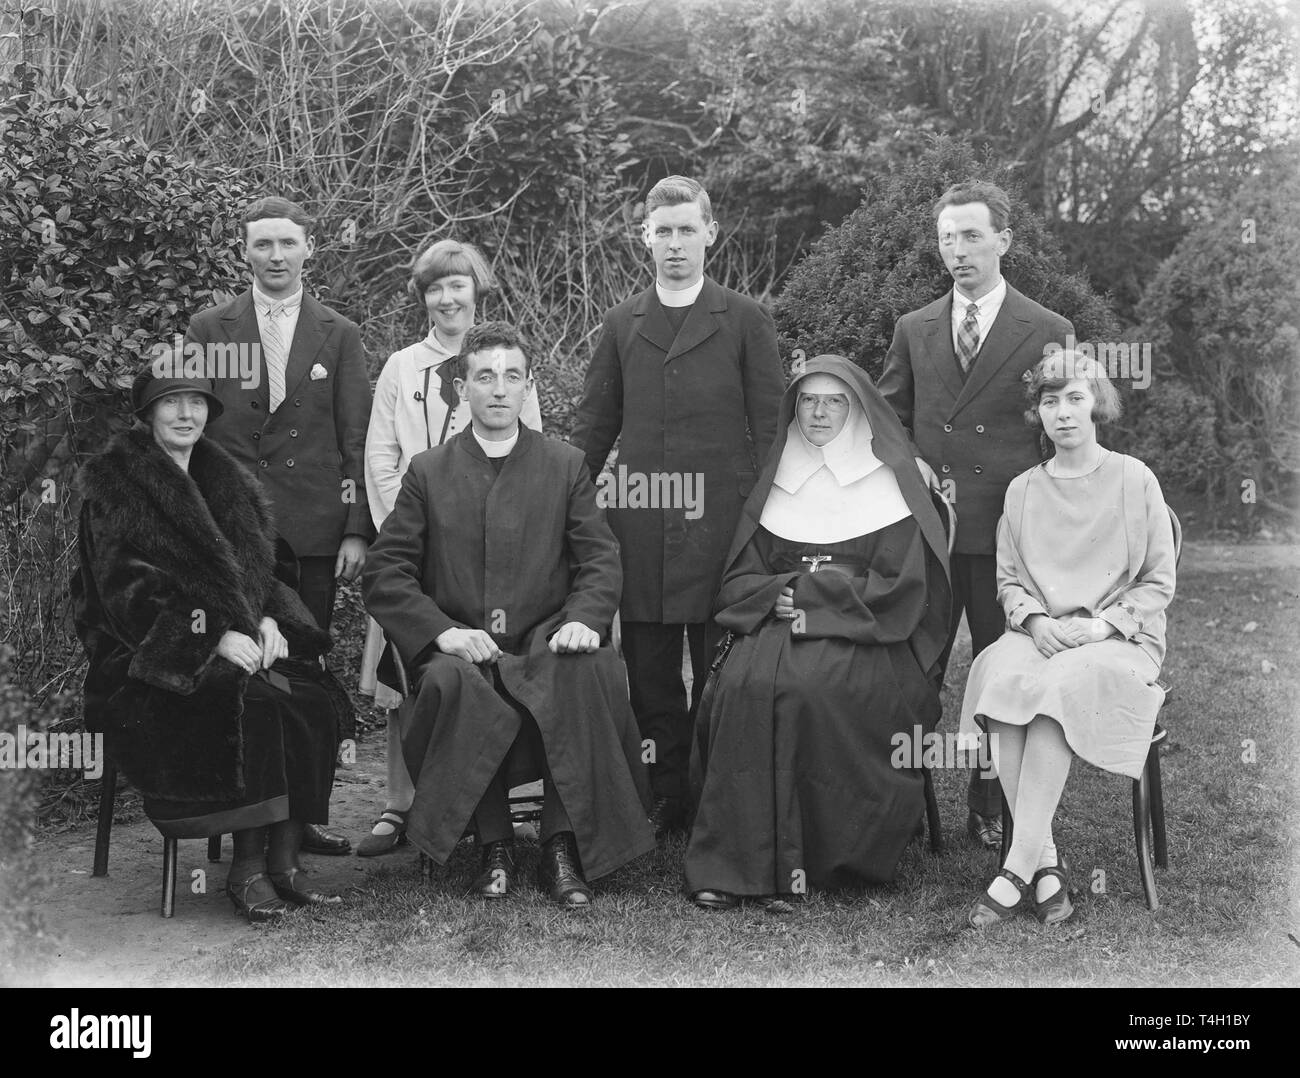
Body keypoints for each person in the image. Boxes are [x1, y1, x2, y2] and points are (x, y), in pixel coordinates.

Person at [362, 322, 654, 907]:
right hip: (467, 642)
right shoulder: (428, 471)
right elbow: (385, 573)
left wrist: (585, 619)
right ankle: (492, 841)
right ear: (461, 387)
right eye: (485, 376)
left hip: (546, 637)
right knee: (453, 683)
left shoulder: (565, 465)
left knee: (584, 669)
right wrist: (442, 632)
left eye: (511, 377)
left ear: (527, 388)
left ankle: (561, 844)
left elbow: (600, 560)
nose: (498, 389)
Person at [74, 362, 349, 922]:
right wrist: (212, 638)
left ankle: (286, 857)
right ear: (147, 412)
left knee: (313, 693)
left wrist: (272, 621)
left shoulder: (226, 479)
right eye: (171, 402)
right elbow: (125, 597)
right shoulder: (116, 486)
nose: (185, 414)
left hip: (235, 639)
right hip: (146, 660)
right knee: (258, 700)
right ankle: (247, 869)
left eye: (196, 402)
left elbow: (267, 572)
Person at [683, 356, 952, 909]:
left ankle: (811, 863)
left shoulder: (890, 485)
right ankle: (736, 862)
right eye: (809, 400)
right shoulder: (777, 480)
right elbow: (737, 577)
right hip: (776, 622)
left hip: (866, 633)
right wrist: (770, 593)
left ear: (857, 411)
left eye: (834, 401)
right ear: (794, 408)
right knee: (745, 688)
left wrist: (809, 597)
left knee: (815, 691)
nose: (820, 412)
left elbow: (901, 590)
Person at [570, 175, 784, 837]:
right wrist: (566, 506)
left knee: (722, 666)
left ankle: (714, 790)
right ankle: (665, 791)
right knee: (652, 674)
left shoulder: (745, 320)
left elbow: (774, 430)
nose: (674, 244)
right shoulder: (620, 324)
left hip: (721, 527)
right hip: (641, 527)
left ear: (710, 234)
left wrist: (761, 524)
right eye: (661, 231)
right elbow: (592, 429)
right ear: (644, 238)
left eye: (686, 229)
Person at [878, 180, 1074, 849]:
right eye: (946, 239)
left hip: (1007, 541)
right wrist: (911, 464)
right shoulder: (915, 328)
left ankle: (993, 802)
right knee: (914, 671)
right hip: (931, 536)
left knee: (1006, 675)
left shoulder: (1047, 330)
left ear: (1003, 241)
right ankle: (905, 806)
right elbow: (885, 422)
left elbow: (1062, 436)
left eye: (970, 236)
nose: (957, 251)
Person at [960, 352, 1176, 927]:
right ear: (1038, 413)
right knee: (1000, 677)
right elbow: (1008, 580)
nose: (1062, 412)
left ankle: (1014, 869)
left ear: (1097, 403)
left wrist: (1103, 625)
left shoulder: (1134, 479)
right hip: (1045, 632)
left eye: (1075, 398)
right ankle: (1046, 865)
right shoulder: (1023, 490)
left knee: (1057, 690)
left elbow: (1159, 580)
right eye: (1049, 401)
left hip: (1120, 637)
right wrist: (1035, 622)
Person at [186, 195, 374, 857]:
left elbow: (357, 434)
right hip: (232, 524)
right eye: (262, 244)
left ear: (308, 250)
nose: (274, 257)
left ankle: (303, 816)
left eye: (286, 244)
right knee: (241, 660)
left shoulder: (339, 333)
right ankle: (247, 813)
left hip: (312, 525)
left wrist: (355, 527)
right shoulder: (210, 327)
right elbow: (192, 430)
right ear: (244, 251)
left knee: (305, 665)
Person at [357, 239, 542, 857]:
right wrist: (406, 534)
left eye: (457, 285)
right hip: (413, 549)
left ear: (476, 291)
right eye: (435, 287)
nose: (447, 298)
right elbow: (380, 456)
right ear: (424, 298)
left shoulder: (503, 365)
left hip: (490, 554)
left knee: (491, 673)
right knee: (407, 680)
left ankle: (485, 802)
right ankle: (401, 805)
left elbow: (530, 455)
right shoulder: (401, 368)